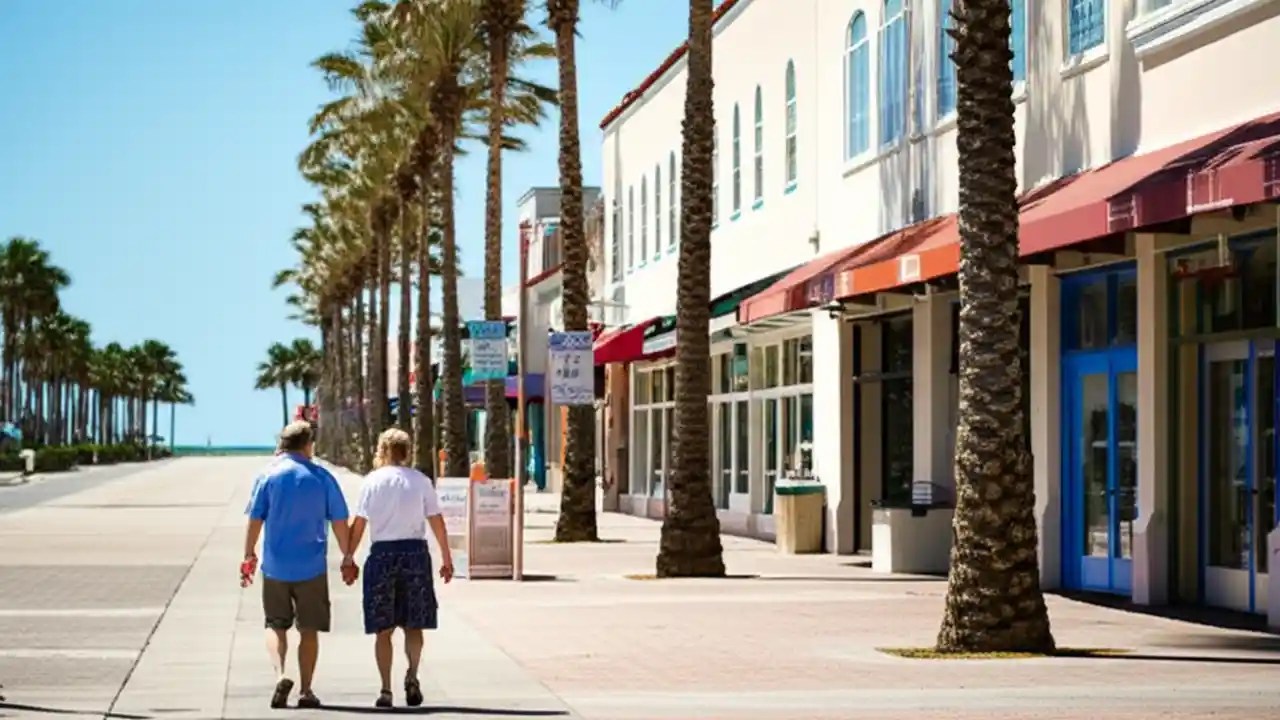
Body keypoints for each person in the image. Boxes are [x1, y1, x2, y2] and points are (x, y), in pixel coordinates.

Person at [241, 421, 356, 709]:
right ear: (308, 445)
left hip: (275, 565)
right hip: (312, 567)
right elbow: (339, 522)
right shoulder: (321, 477)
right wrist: (347, 557)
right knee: (309, 630)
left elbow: (255, 519)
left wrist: (248, 555)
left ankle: (281, 674)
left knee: (275, 624)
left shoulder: (267, 475)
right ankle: (306, 691)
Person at [348, 428, 454, 709]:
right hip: (415, 555)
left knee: (383, 629)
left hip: (382, 555)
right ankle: (413, 674)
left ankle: (385, 689)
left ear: (382, 451)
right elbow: (436, 520)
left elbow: (359, 524)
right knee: (414, 623)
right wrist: (446, 557)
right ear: (407, 451)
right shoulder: (420, 481)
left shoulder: (372, 482)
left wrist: (349, 556)